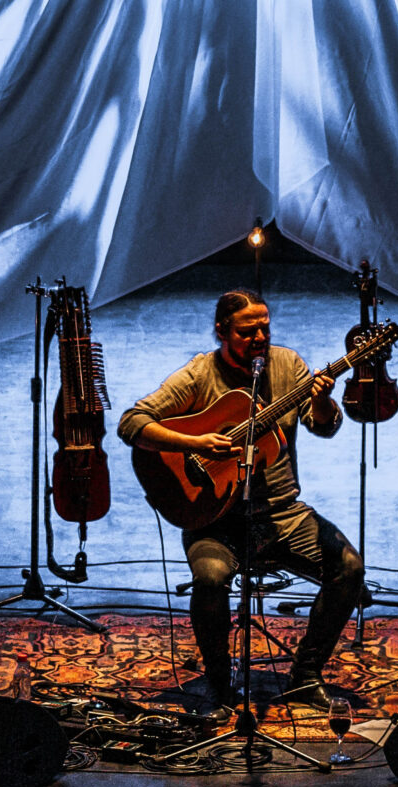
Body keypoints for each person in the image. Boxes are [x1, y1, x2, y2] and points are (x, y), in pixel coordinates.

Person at [120, 290, 366, 713]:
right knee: (211, 579)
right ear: (221, 332)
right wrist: (195, 442)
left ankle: (304, 677)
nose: (259, 337)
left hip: (282, 513)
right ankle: (220, 680)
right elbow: (132, 423)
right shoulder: (200, 374)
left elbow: (324, 427)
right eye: (247, 330)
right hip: (213, 519)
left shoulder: (289, 366)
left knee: (349, 568)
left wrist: (323, 400)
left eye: (265, 327)